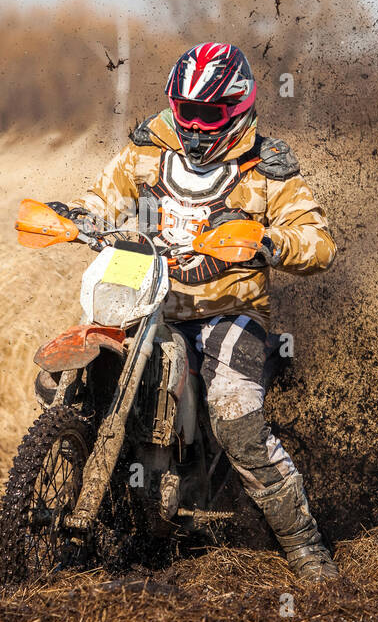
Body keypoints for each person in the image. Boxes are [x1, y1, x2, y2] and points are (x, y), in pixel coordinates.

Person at [50, 41, 339, 581]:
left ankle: (305, 547)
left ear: (237, 108)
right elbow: (104, 198)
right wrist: (79, 217)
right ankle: (105, 506)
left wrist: (270, 243)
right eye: (187, 111)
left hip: (229, 313)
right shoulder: (144, 152)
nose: (197, 126)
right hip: (147, 299)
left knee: (235, 416)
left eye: (210, 114)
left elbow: (319, 242)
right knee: (74, 383)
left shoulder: (268, 169)